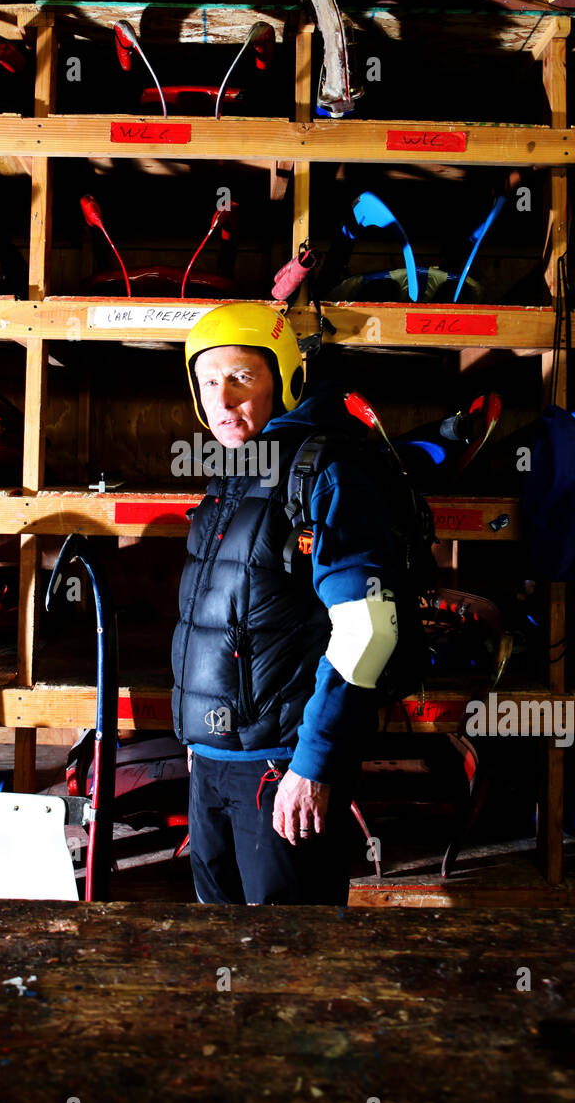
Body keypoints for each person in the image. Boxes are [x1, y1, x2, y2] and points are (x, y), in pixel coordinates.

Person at [171, 302, 404, 905]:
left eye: (242, 378)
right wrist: (203, 747)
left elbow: (369, 630)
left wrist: (314, 766)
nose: (222, 400)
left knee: (291, 965)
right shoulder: (231, 473)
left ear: (285, 378)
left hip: (283, 771)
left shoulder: (325, 471)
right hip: (214, 764)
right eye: (208, 381)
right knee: (219, 951)